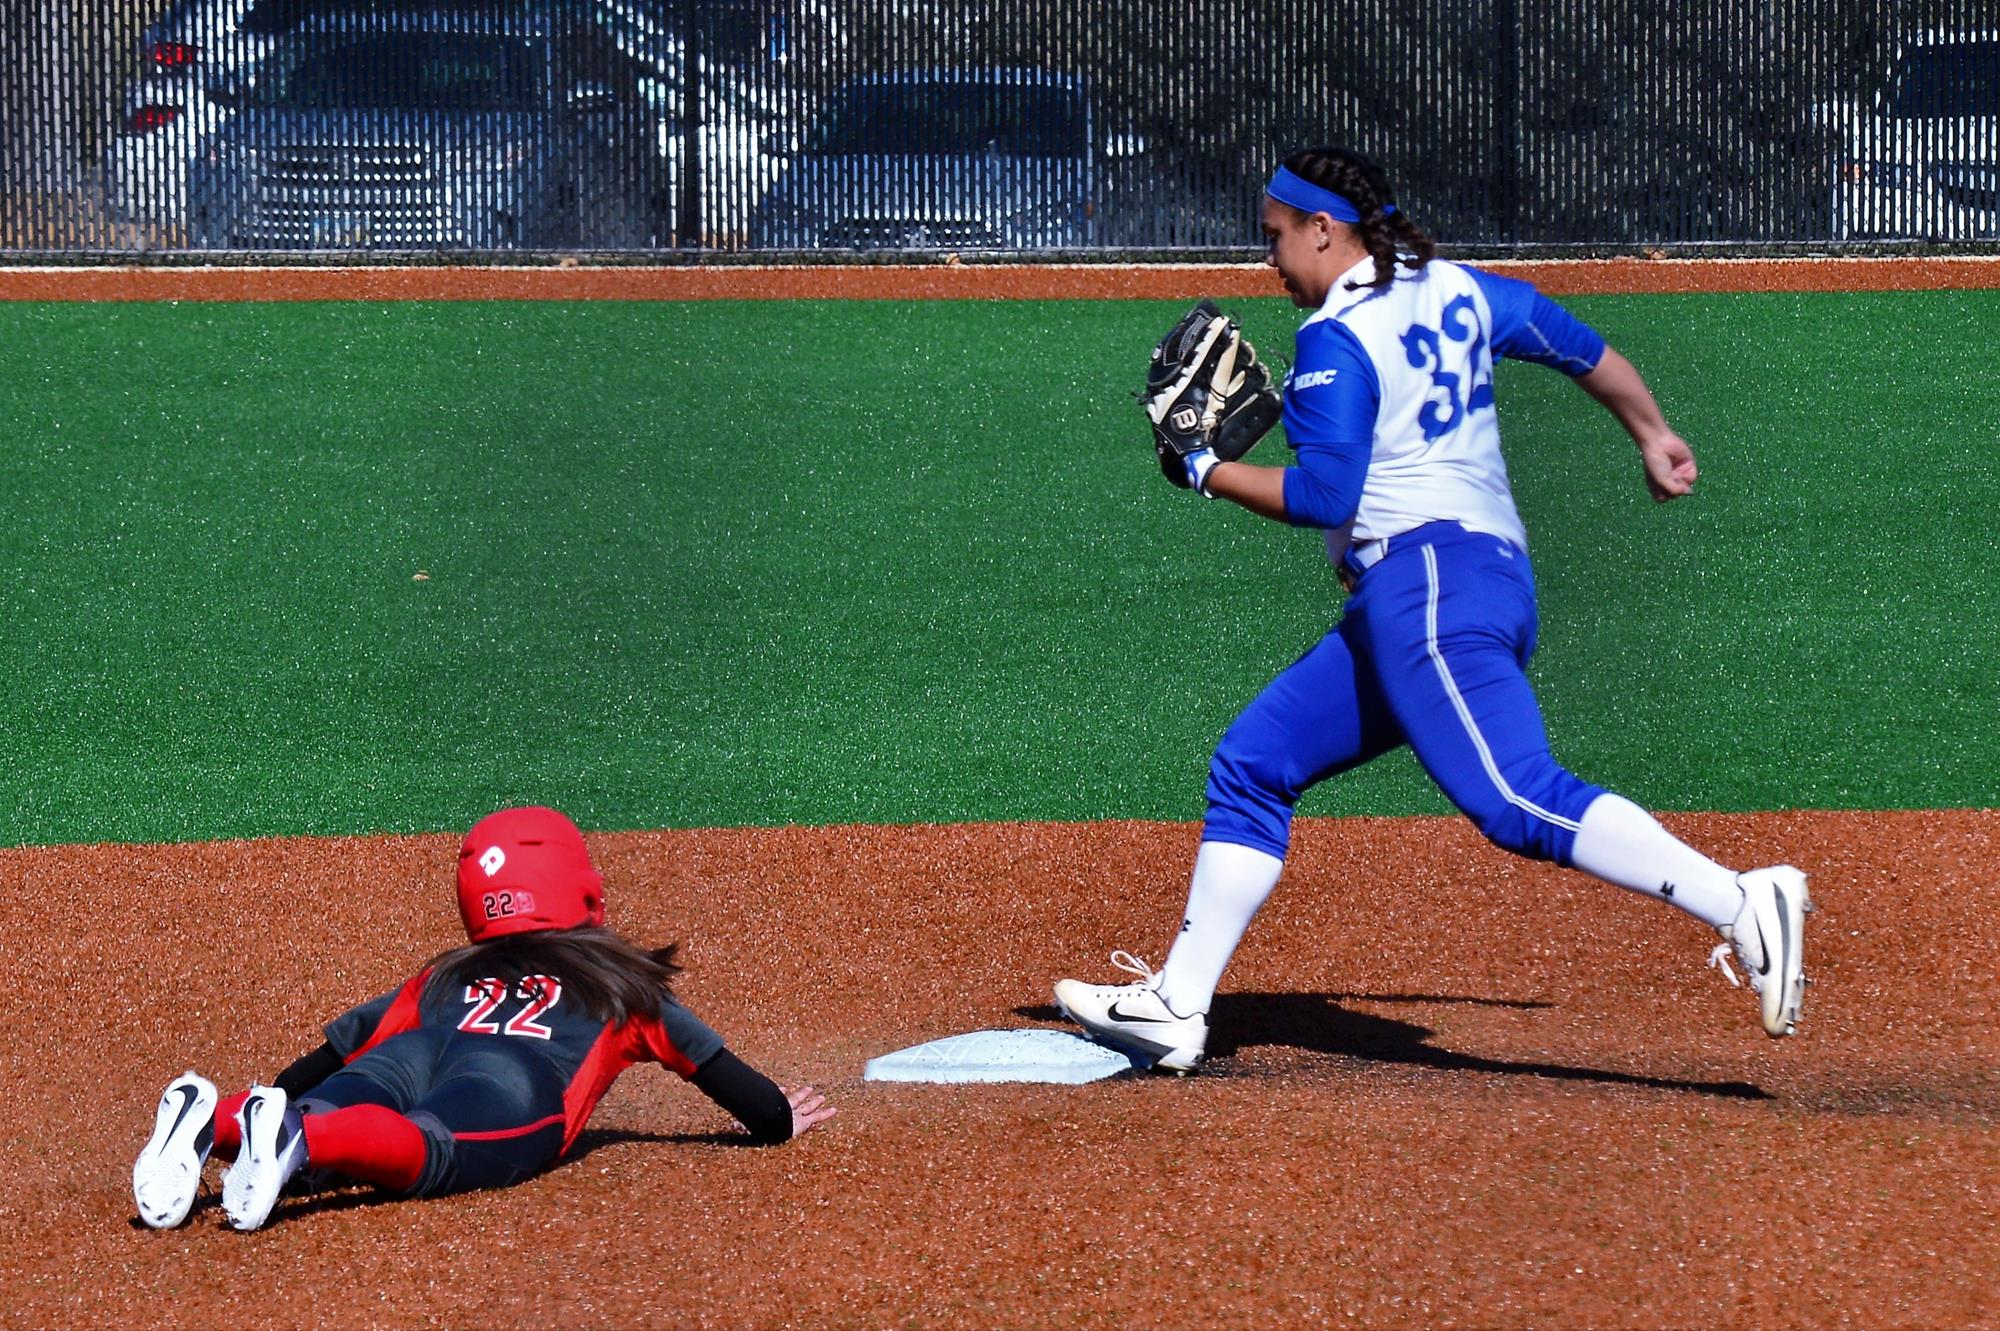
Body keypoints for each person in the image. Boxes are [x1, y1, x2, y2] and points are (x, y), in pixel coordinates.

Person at [1053, 147, 1810, 1073]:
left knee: (1515, 795)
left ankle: (1741, 900)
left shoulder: (1335, 338)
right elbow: (1577, 344)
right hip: (1454, 585)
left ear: (1323, 229)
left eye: (1276, 236)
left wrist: (1205, 469)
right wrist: (1651, 432)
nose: (1269, 259)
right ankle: (1178, 1006)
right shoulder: (1455, 288)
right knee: (1255, 763)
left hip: (1430, 588)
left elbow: (1325, 496)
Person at [132, 805, 835, 1231]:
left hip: (411, 1051)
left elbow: (326, 1059)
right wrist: (779, 1117)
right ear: (578, 887)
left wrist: (276, 1097)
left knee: (325, 1103)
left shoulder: (443, 975)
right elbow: (749, 1099)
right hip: (512, 1079)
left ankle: (222, 1120)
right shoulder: (622, 987)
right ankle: (295, 1136)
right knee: (428, 1147)